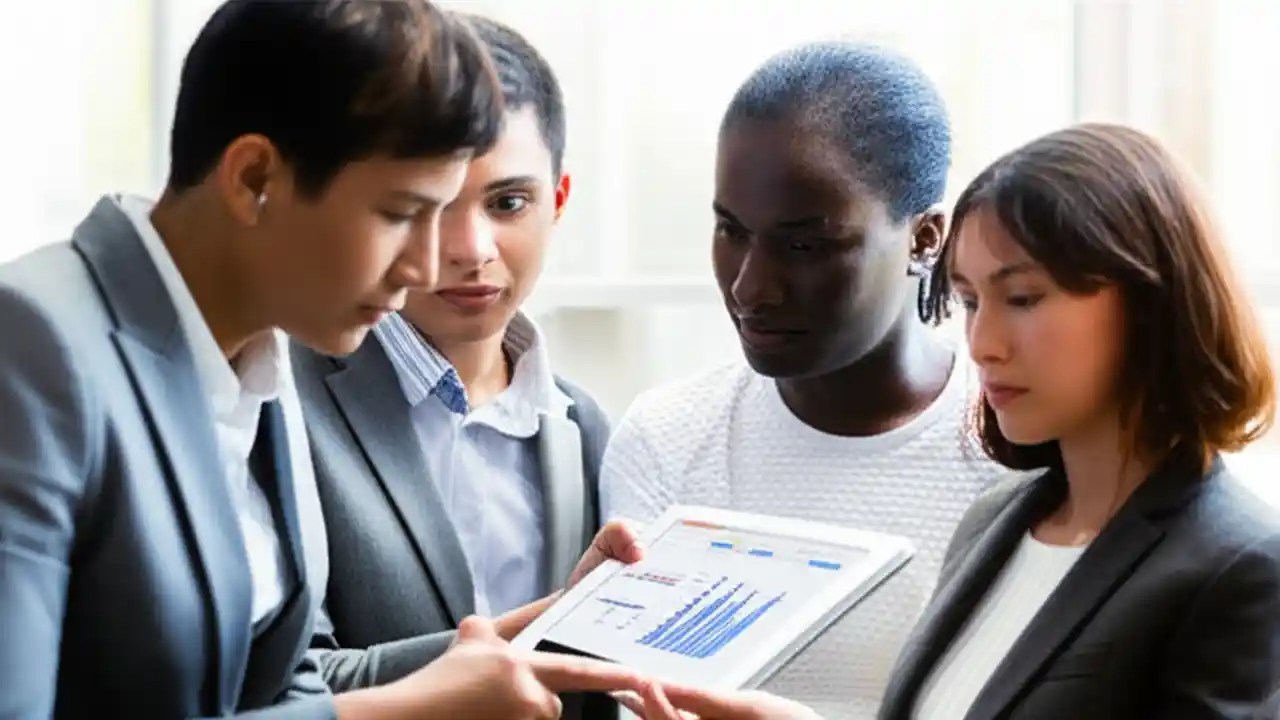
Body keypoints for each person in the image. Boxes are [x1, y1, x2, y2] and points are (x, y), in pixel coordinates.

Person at [0, 2, 645, 718]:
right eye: (402, 214)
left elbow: (277, 687)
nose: (428, 265)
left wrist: (533, 640)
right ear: (252, 180)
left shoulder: (260, 374)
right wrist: (400, 714)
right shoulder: (30, 343)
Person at [629, 124, 1280, 719]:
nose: (983, 342)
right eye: (969, 301)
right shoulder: (996, 520)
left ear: (1150, 301)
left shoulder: (1240, 567)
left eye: (1022, 298)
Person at [599, 41, 1007, 718]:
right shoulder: (668, 441)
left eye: (806, 245)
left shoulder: (1012, 452)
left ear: (925, 239)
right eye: (730, 230)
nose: (749, 287)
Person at [293, 15, 617, 699]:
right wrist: (548, 630)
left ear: (556, 203)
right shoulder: (278, 400)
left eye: (508, 201)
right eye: (433, 204)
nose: (471, 249)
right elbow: (282, 690)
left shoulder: (584, 426)